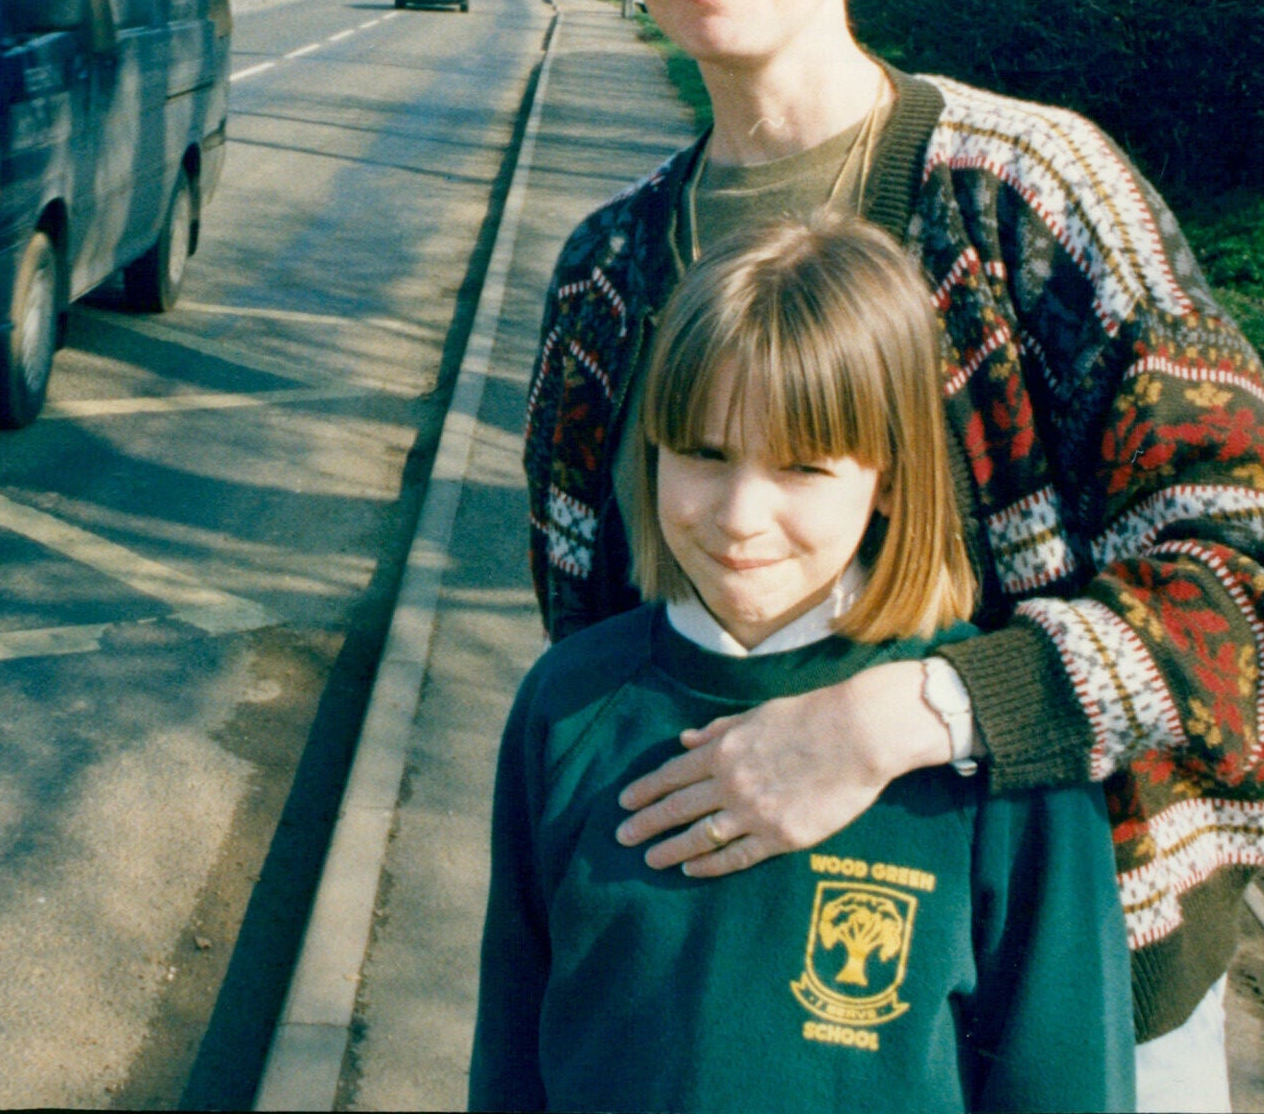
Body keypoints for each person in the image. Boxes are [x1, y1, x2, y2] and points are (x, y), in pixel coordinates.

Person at [519, 0, 1264, 1112]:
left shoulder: (1028, 197)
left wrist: (910, 715)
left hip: (1093, 1003)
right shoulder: (605, 284)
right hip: (733, 1011)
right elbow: (604, 655)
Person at [475, 216, 1135, 1113]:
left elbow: (1064, 1081)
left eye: (803, 468)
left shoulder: (1002, 757)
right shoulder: (568, 705)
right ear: (653, 448)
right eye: (704, 453)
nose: (742, 514)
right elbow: (512, 1054)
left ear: (891, 478)